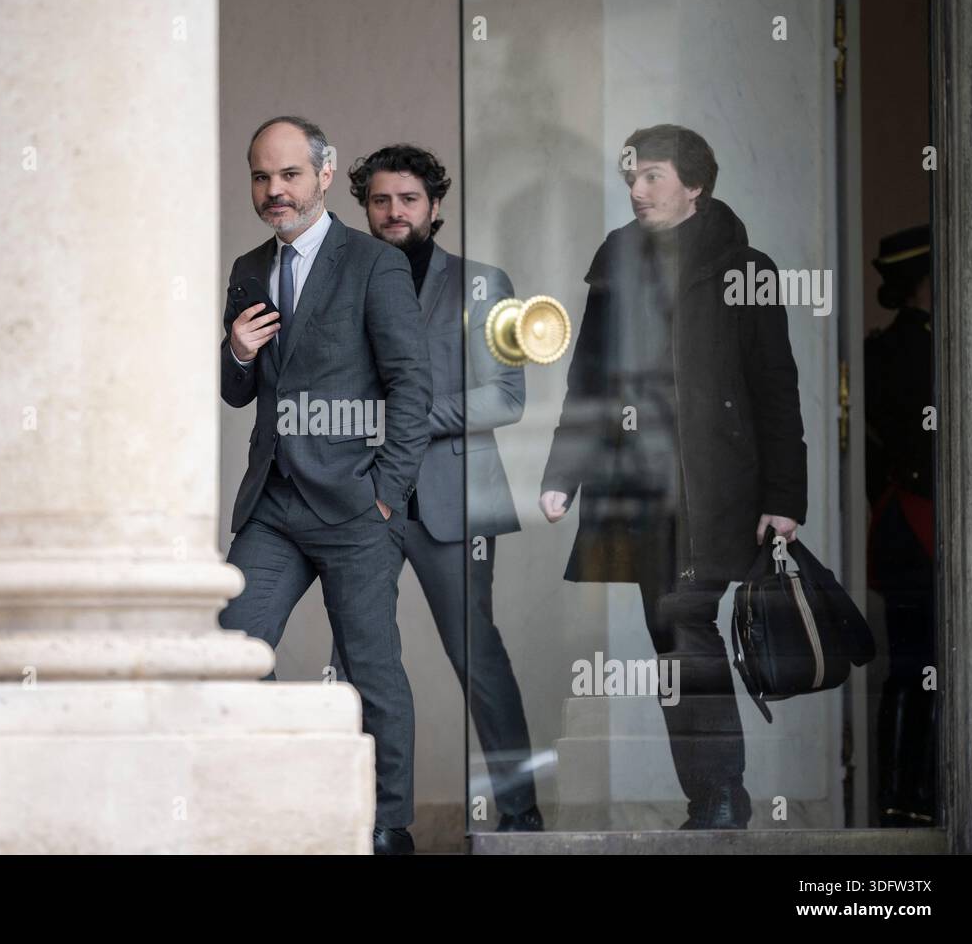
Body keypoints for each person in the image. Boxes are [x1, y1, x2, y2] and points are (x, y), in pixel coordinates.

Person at [539, 124, 807, 829]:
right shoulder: (616, 261)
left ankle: (720, 796)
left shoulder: (745, 265)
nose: (636, 189)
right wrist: (565, 472)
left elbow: (774, 385)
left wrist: (784, 495)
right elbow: (588, 378)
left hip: (720, 481)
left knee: (687, 620)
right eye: (631, 176)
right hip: (637, 481)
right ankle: (714, 798)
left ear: (694, 186)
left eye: (653, 175)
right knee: (671, 632)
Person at [218, 116, 432, 854]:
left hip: (354, 505)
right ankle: (274, 808)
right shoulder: (248, 266)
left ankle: (386, 824)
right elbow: (237, 391)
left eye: (288, 176)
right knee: (231, 651)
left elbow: (411, 385)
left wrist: (387, 491)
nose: (274, 191)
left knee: (371, 668)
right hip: (273, 504)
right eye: (260, 176)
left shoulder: (373, 264)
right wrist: (236, 351)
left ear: (324, 174)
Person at [340, 144, 541, 831]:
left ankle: (521, 818)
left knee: (478, 660)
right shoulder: (342, 282)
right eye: (380, 201)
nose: (394, 212)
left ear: (435, 205)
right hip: (362, 504)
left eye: (409, 199)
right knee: (355, 662)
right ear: (363, 208)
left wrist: (408, 422)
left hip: (454, 506)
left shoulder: (487, 284)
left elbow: (508, 398)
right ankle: (372, 821)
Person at [864, 224, 936, 826]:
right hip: (921, 523)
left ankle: (899, 794)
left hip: (897, 522)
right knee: (922, 663)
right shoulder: (924, 349)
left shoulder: (880, 348)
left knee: (910, 664)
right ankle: (913, 798)